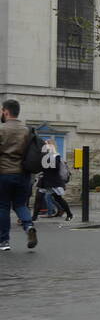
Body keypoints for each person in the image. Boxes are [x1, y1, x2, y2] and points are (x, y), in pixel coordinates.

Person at [0, 99, 37, 251]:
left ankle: (4, 241)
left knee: (3, 206)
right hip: (23, 174)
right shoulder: (27, 130)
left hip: (4, 173)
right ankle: (28, 226)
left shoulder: (1, 129)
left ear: (6, 112)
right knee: (20, 204)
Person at [36, 140, 73, 221]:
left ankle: (69, 214)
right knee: (38, 198)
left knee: (58, 199)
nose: (45, 146)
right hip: (44, 181)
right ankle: (33, 217)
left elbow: (56, 167)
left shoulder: (56, 156)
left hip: (53, 181)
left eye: (47, 144)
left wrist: (46, 164)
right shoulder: (43, 156)